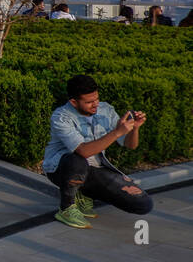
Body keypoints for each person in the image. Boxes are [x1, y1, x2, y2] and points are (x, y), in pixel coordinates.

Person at [43, 74, 152, 228]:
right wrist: (117, 132)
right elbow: (83, 151)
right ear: (74, 102)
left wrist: (135, 129)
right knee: (77, 160)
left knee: (143, 204)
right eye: (89, 102)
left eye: (96, 99)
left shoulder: (106, 109)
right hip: (61, 168)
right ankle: (66, 208)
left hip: (95, 168)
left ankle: (83, 192)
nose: (95, 105)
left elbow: (130, 145)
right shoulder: (61, 117)